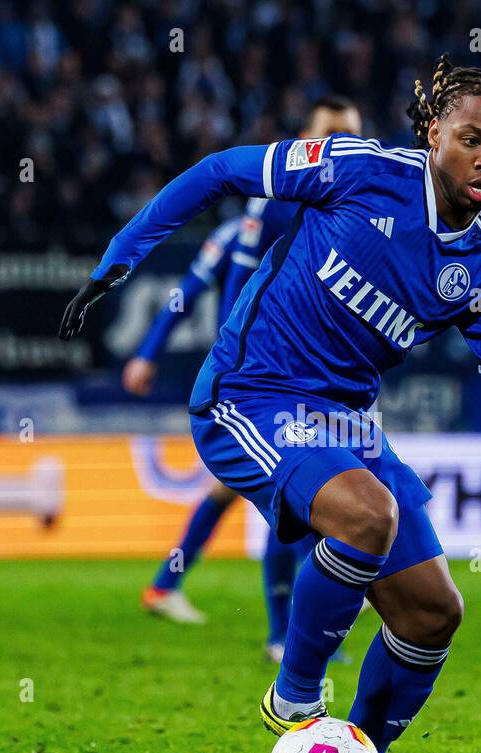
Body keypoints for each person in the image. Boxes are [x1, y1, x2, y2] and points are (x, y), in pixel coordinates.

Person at [59, 56, 481, 753]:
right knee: (368, 516)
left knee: (433, 612)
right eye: (472, 139)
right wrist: (119, 259)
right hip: (248, 397)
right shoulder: (358, 169)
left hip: (348, 424)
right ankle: (295, 699)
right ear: (434, 132)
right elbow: (220, 171)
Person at [129, 98, 363, 665]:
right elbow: (205, 289)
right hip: (263, 374)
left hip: (306, 373)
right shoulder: (273, 203)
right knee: (294, 499)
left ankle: (167, 584)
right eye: (332, 134)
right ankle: (286, 635)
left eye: (352, 135)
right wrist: (238, 360)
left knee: (238, 490)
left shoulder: (343, 208)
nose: (344, 145)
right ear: (305, 137)